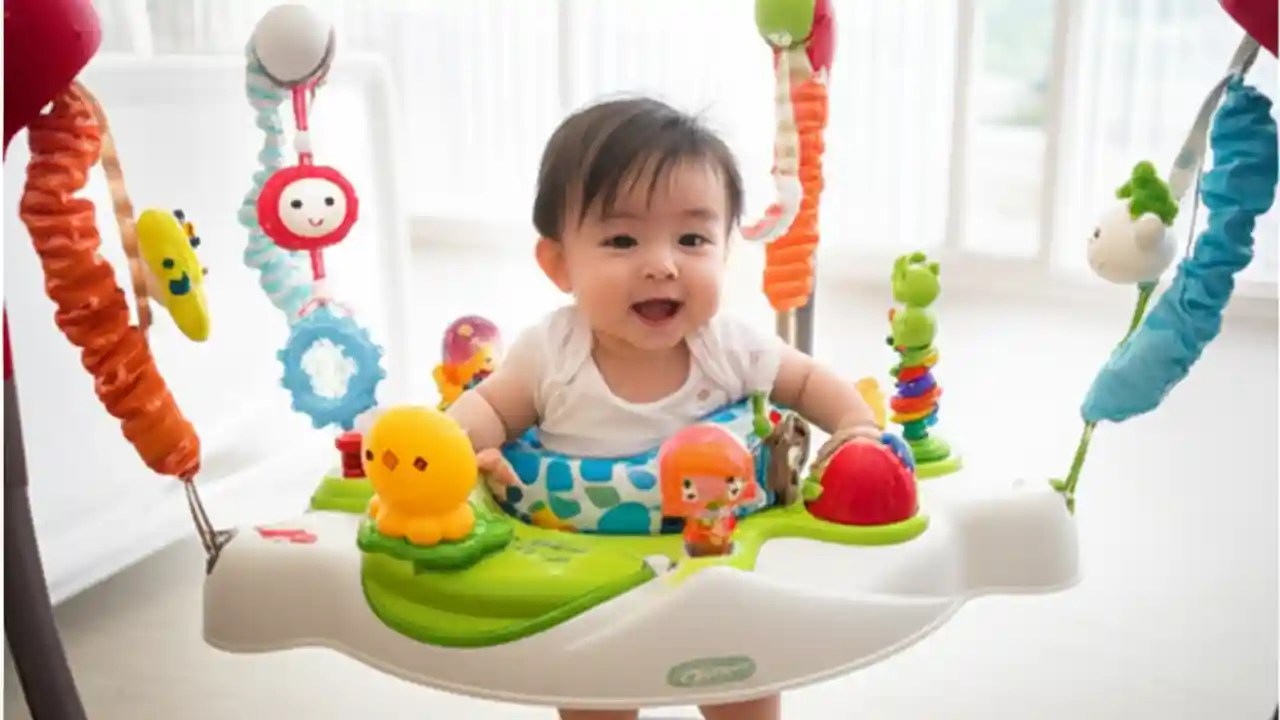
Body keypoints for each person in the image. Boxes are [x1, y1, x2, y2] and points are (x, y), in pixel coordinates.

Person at [446, 96, 881, 720]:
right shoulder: (552, 352)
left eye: (692, 238)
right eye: (622, 239)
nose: (661, 264)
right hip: (584, 574)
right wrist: (453, 449)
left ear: (725, 251)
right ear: (559, 263)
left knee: (744, 680)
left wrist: (856, 427)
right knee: (595, 689)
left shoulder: (727, 346)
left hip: (719, 562)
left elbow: (808, 383)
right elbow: (490, 409)